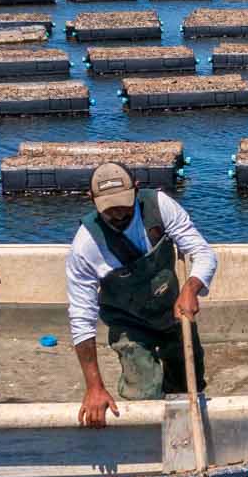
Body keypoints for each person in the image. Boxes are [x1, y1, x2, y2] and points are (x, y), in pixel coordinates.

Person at [67, 163, 218, 427]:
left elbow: (202, 253)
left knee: (188, 385)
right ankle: (148, 443)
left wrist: (191, 288)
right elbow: (82, 317)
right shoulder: (85, 245)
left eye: (124, 205)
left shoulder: (159, 206)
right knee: (144, 390)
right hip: (128, 323)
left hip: (172, 310)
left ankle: (185, 436)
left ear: (136, 190)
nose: (118, 213)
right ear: (91, 199)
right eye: (109, 208)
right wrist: (94, 387)